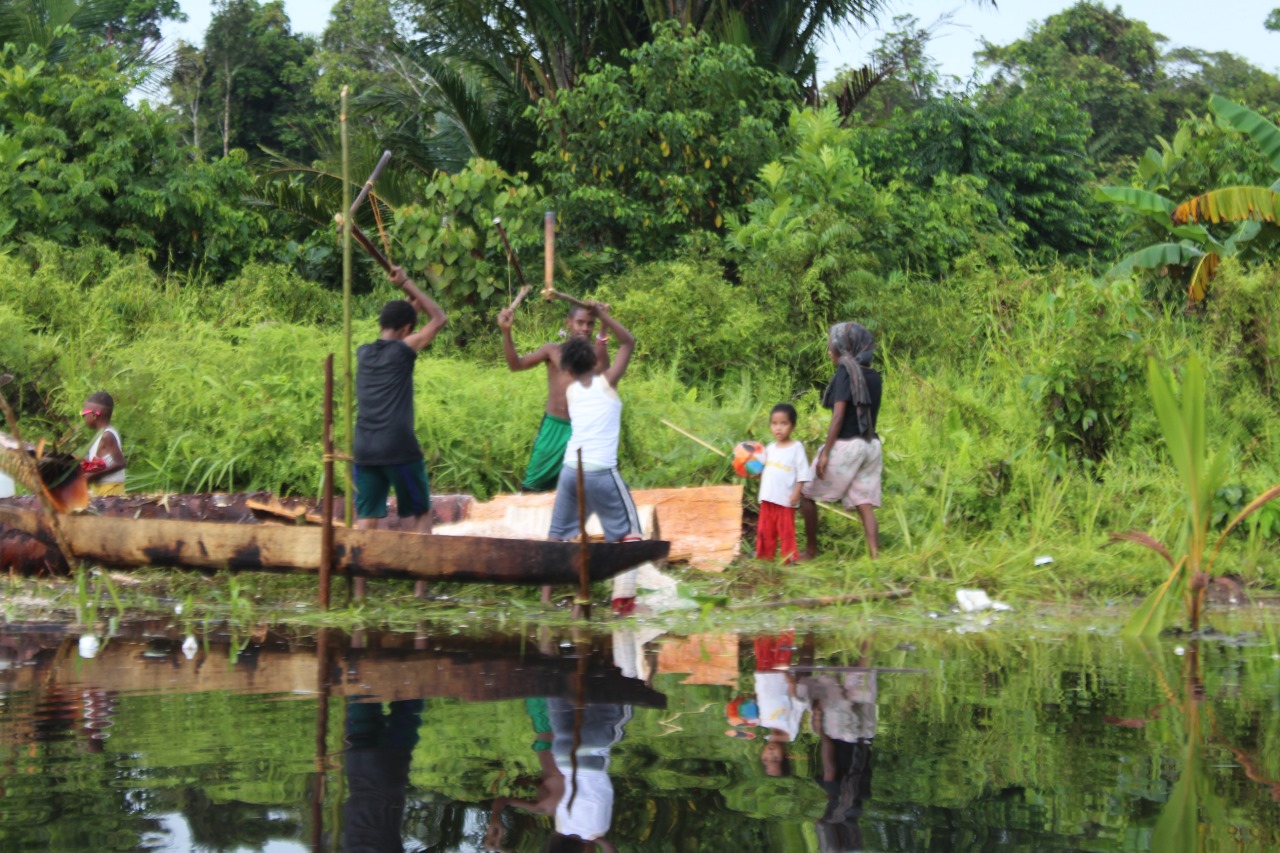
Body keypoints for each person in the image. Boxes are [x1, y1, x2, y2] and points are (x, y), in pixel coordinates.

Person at [354, 266, 447, 596]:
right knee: (421, 513)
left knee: (366, 518)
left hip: (364, 448)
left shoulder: (364, 353)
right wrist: (406, 282)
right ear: (407, 329)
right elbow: (440, 318)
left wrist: (408, 304)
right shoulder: (404, 351)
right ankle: (420, 591)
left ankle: (359, 594)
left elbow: (406, 322)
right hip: (398, 448)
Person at [546, 303, 640, 615]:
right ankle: (623, 604)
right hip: (601, 472)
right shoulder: (606, 382)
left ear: (569, 369)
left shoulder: (572, 391)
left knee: (557, 535)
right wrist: (604, 318)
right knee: (631, 534)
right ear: (593, 360)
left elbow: (602, 358)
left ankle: (546, 599)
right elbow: (628, 342)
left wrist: (599, 327)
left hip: (570, 469)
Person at [496, 305, 610, 493]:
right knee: (533, 486)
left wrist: (604, 325)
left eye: (590, 324)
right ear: (568, 323)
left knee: (583, 490)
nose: (585, 328)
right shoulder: (552, 351)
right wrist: (506, 331)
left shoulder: (596, 354)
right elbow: (516, 365)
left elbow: (603, 369)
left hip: (582, 430)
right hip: (553, 427)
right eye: (580, 322)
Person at [800, 322, 882, 560]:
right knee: (864, 503)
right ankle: (875, 557)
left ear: (846, 348)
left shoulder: (846, 372)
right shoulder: (875, 376)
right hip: (871, 446)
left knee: (805, 493)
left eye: (832, 346)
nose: (829, 351)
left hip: (847, 446)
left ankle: (811, 550)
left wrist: (826, 452)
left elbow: (838, 416)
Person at [756, 403, 811, 564]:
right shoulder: (769, 448)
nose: (778, 428)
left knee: (786, 532)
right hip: (767, 498)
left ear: (792, 426)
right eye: (774, 423)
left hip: (785, 500)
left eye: (784, 423)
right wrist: (754, 473)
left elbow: (803, 473)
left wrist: (796, 493)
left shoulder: (796, 448)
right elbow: (764, 472)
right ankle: (764, 559)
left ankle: (789, 560)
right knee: (765, 531)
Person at [81, 391, 126, 496]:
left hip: (110, 489)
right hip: (100, 488)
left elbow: (121, 463)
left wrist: (93, 475)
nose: (83, 418)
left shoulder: (107, 435)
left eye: (84, 414)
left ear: (93, 415)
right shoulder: (99, 436)